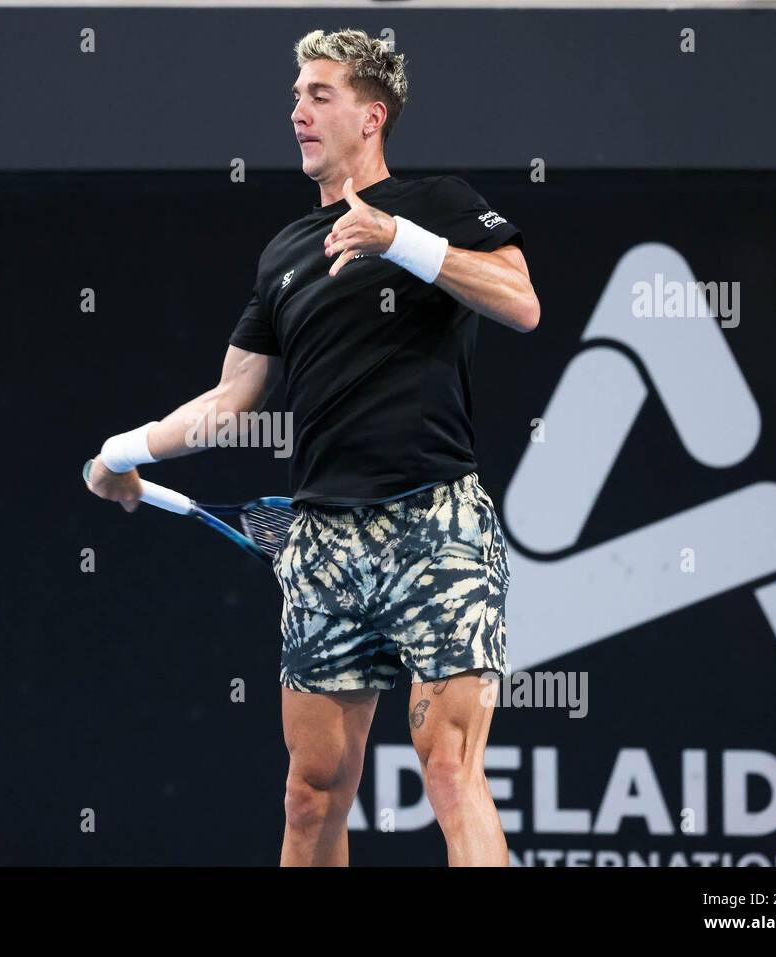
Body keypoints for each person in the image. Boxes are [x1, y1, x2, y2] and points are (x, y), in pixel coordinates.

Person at [86, 28, 539, 866]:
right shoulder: (285, 253)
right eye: (294, 95)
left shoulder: (436, 202)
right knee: (310, 795)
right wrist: (119, 453)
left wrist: (396, 239)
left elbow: (521, 302)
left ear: (372, 117)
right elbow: (231, 400)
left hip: (436, 527)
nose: (297, 111)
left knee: (448, 771)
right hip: (322, 543)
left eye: (318, 94)